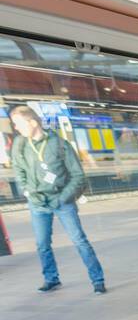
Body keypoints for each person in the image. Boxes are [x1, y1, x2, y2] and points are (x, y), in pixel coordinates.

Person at [9, 104, 106, 294]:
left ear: (32, 121)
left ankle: (98, 280)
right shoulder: (20, 144)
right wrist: (28, 191)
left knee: (79, 241)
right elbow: (18, 170)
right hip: (38, 203)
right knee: (42, 244)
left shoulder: (60, 144)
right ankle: (51, 279)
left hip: (62, 201)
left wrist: (62, 198)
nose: (16, 128)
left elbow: (78, 176)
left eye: (18, 123)